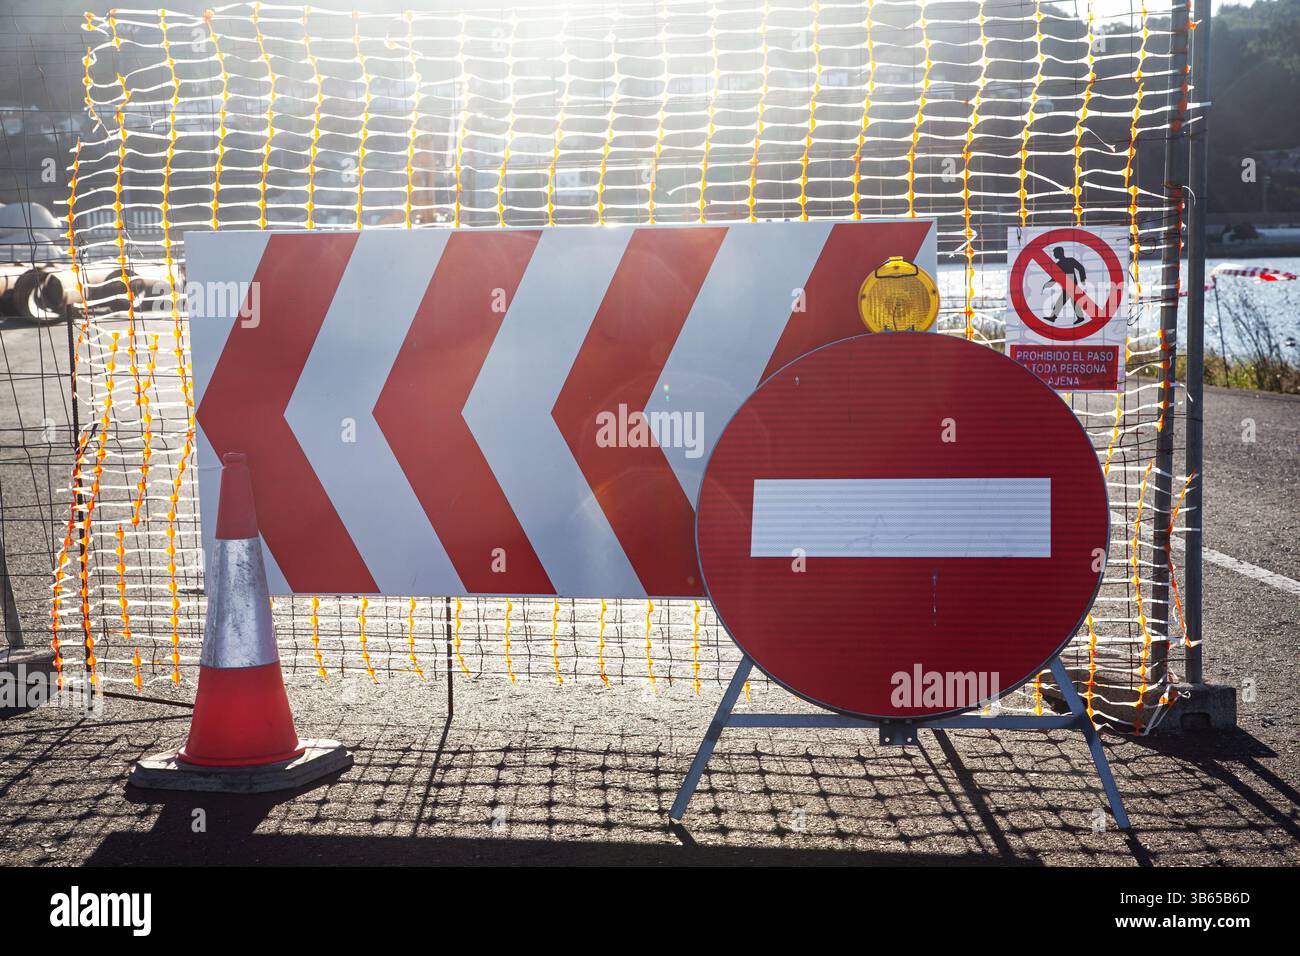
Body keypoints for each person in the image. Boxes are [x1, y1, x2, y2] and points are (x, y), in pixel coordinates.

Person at [1042, 245, 1088, 325]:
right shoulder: (1059, 264)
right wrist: (1048, 284)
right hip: (1066, 283)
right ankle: (1080, 317)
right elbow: (1056, 277)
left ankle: (1054, 317)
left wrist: (1082, 279)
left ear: (1059, 253)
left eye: (1055, 253)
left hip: (1071, 283)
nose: (1054, 255)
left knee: (1063, 301)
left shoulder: (1069, 260)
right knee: (1071, 301)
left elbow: (1080, 268)